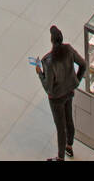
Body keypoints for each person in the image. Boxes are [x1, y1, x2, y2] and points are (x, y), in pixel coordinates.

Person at [36, 25, 85, 161]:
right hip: (69, 92)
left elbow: (48, 88)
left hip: (56, 98)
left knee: (60, 127)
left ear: (52, 41)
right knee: (69, 119)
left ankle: (60, 157)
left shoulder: (48, 61)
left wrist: (40, 73)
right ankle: (69, 146)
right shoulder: (69, 50)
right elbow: (83, 65)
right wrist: (76, 81)